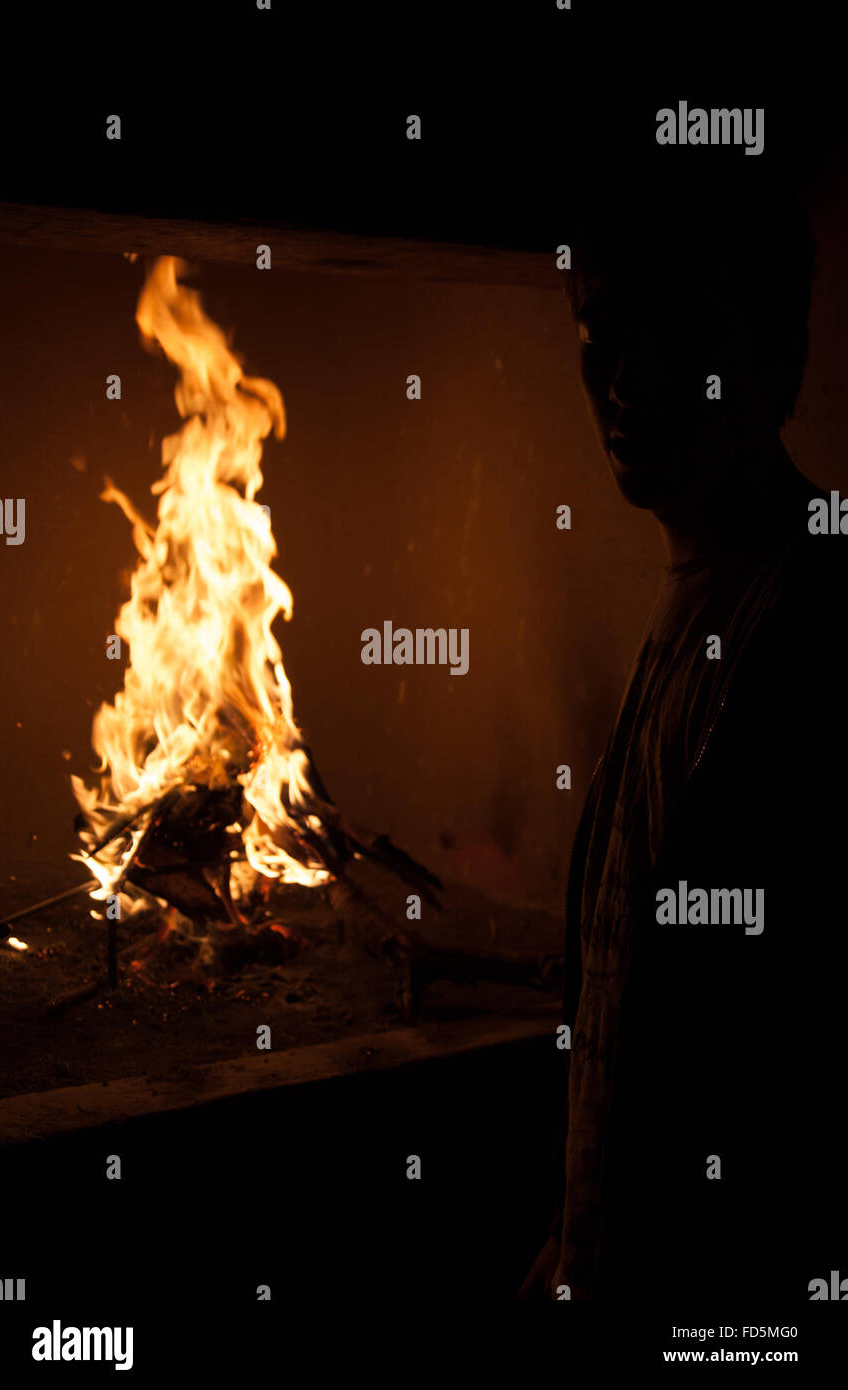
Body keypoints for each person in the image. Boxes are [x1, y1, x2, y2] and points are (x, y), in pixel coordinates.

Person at [520, 163, 848, 1301]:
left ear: (775, 360)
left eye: (677, 330)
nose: (628, 377)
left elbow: (752, 1056)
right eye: (601, 329)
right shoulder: (698, 596)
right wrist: (578, 1242)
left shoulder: (804, 623)